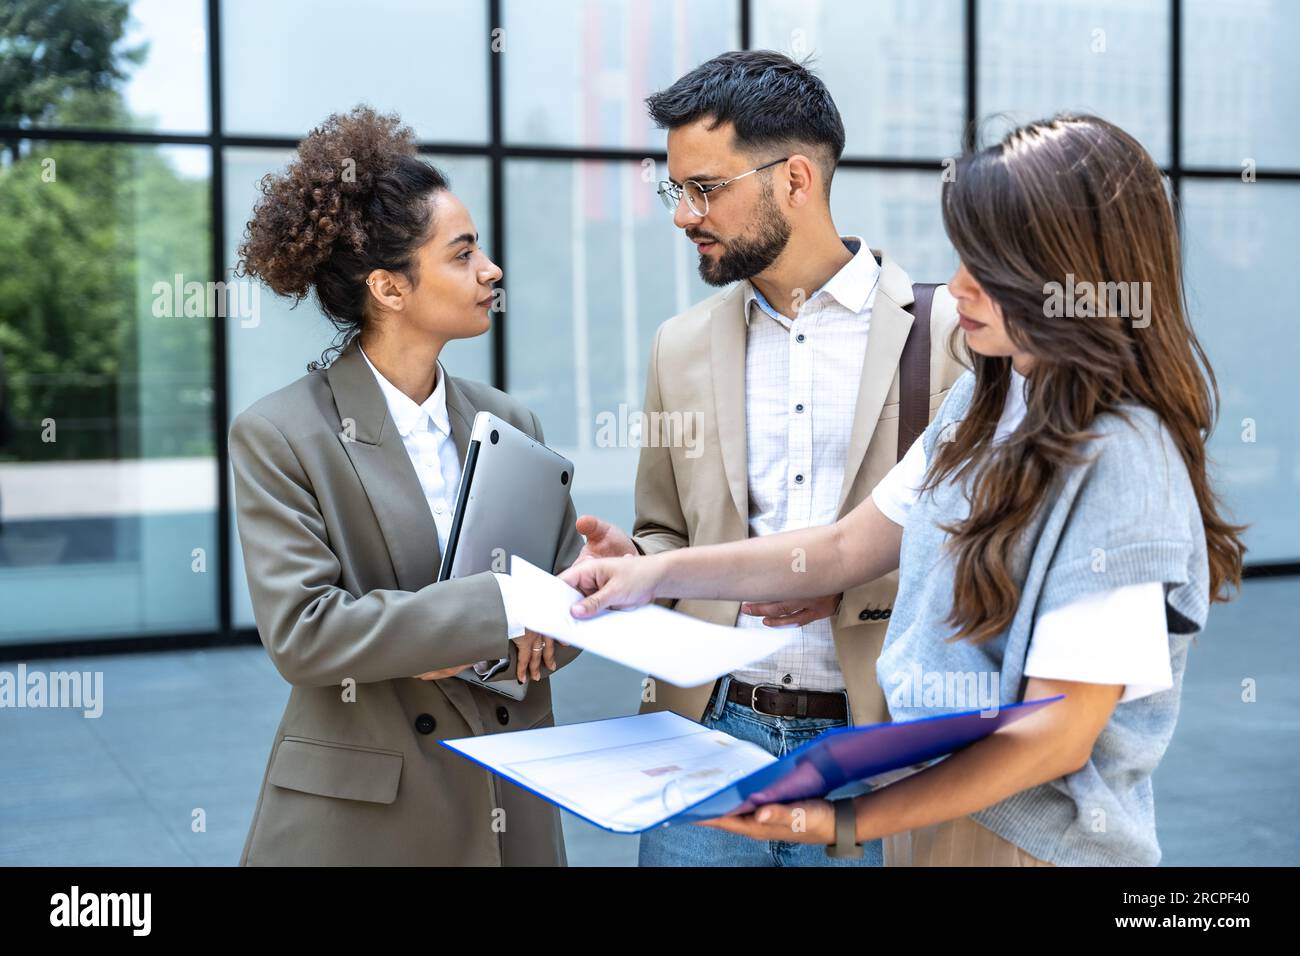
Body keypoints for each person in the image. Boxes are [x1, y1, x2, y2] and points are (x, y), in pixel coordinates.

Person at [561, 114, 1248, 866]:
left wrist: (844, 823)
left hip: (1035, 841)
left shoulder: (1123, 458)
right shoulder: (984, 405)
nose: (956, 288)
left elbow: (1058, 734)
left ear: (1070, 278)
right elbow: (840, 548)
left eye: (987, 269)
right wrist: (648, 573)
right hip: (941, 811)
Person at [573, 50, 965, 867]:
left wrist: (849, 581)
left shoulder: (948, 338)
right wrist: (637, 561)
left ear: (794, 180)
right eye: (676, 190)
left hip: (875, 748)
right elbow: (666, 533)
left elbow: (982, 546)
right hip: (704, 741)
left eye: (704, 189)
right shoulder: (677, 348)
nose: (684, 215)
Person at [229, 106, 580, 865]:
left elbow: (559, 604)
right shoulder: (282, 433)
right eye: (461, 255)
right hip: (365, 818)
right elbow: (307, 633)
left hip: (508, 794)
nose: (490, 270)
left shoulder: (508, 418)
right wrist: (499, 609)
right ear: (389, 288)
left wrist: (553, 617)